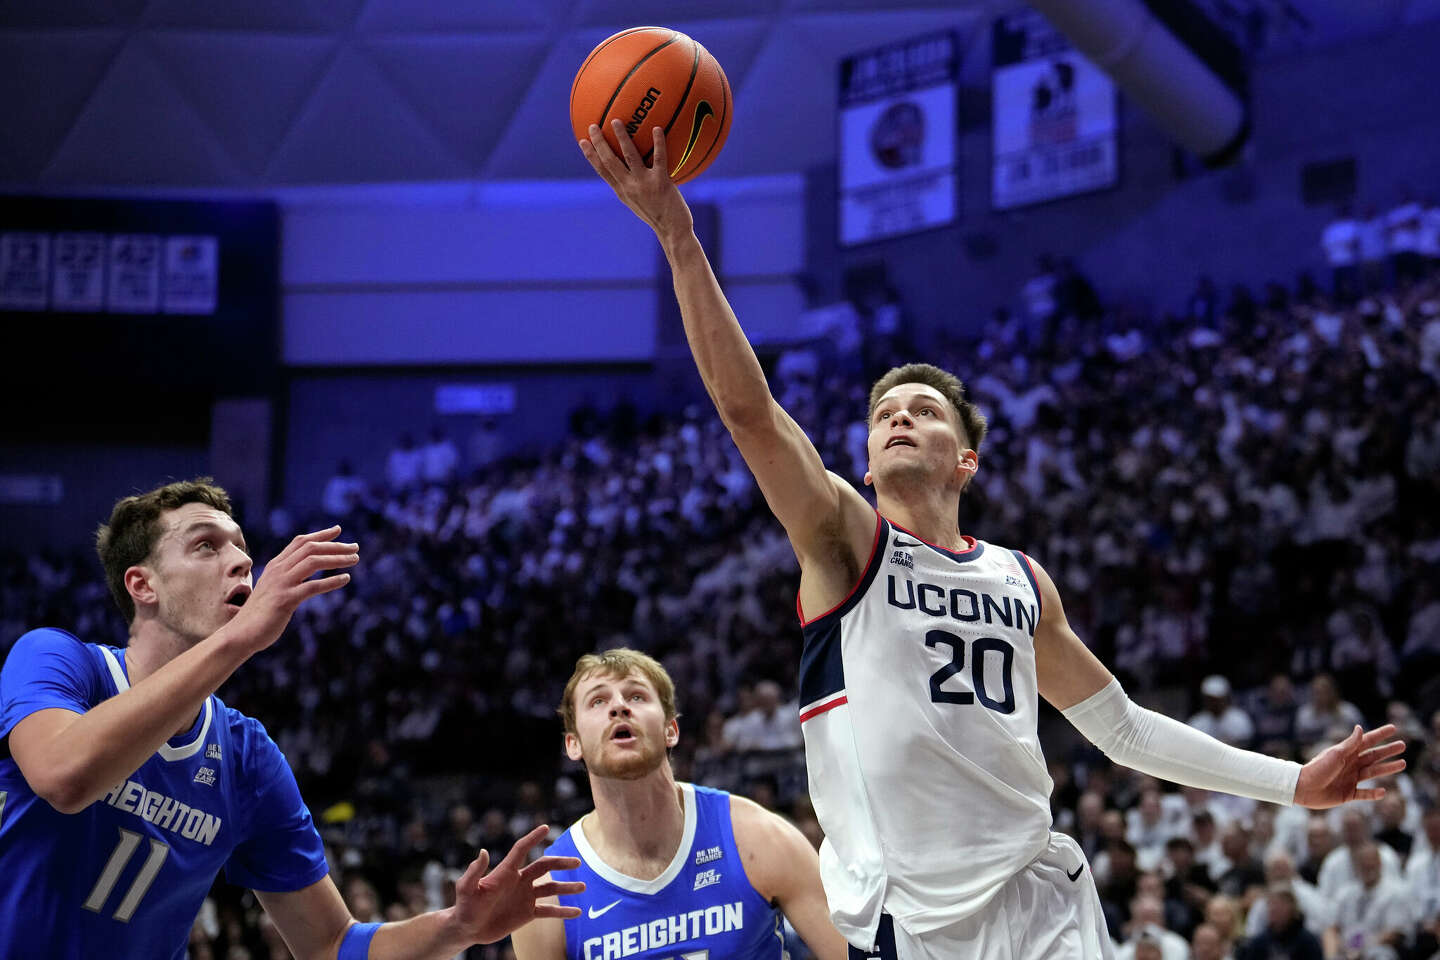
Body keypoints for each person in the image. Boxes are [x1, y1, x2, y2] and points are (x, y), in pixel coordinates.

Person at [579, 121, 1407, 960]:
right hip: (915, 926)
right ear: (864, 467)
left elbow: (1120, 727)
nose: (898, 416)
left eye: (923, 411)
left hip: (1040, 899)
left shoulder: (1019, 580)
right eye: (882, 415)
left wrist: (1292, 783)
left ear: (966, 460)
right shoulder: (844, 544)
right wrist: (679, 237)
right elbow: (749, 412)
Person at [0, 478, 582, 960]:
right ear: (142, 584)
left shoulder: (246, 756)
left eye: (240, 547)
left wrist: (456, 926)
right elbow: (65, 775)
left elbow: (330, 943)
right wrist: (242, 641)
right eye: (206, 545)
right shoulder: (59, 660)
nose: (240, 561)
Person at [511, 648, 848, 960]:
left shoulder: (757, 836)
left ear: (671, 730)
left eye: (636, 696)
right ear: (573, 745)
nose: (618, 707)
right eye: (597, 701)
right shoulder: (548, 891)